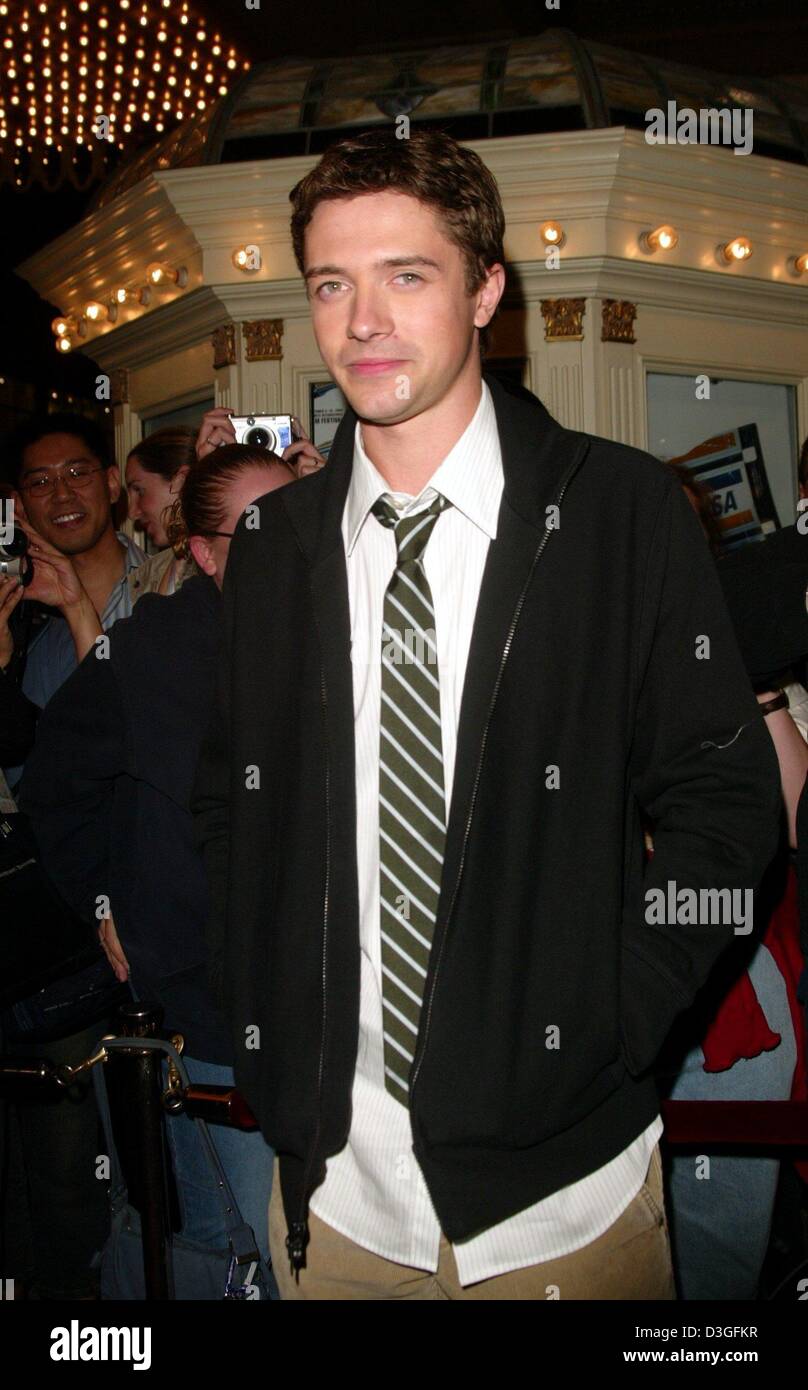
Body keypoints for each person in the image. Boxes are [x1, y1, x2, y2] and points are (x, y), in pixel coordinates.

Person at [191, 126, 781, 1301]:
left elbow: (727, 799)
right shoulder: (272, 549)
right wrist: (267, 1016)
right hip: (334, 1197)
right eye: (330, 283)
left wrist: (623, 1017)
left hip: (560, 1202)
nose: (362, 320)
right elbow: (230, 808)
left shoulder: (618, 515)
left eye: (406, 276)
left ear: (486, 294)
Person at [19, 443, 301, 1296]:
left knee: (296, 1246)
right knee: (222, 1243)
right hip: (203, 1005)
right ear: (204, 553)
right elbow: (55, 784)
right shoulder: (156, 650)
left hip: (317, 1010)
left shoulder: (346, 638)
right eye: (256, 532)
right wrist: (108, 899)